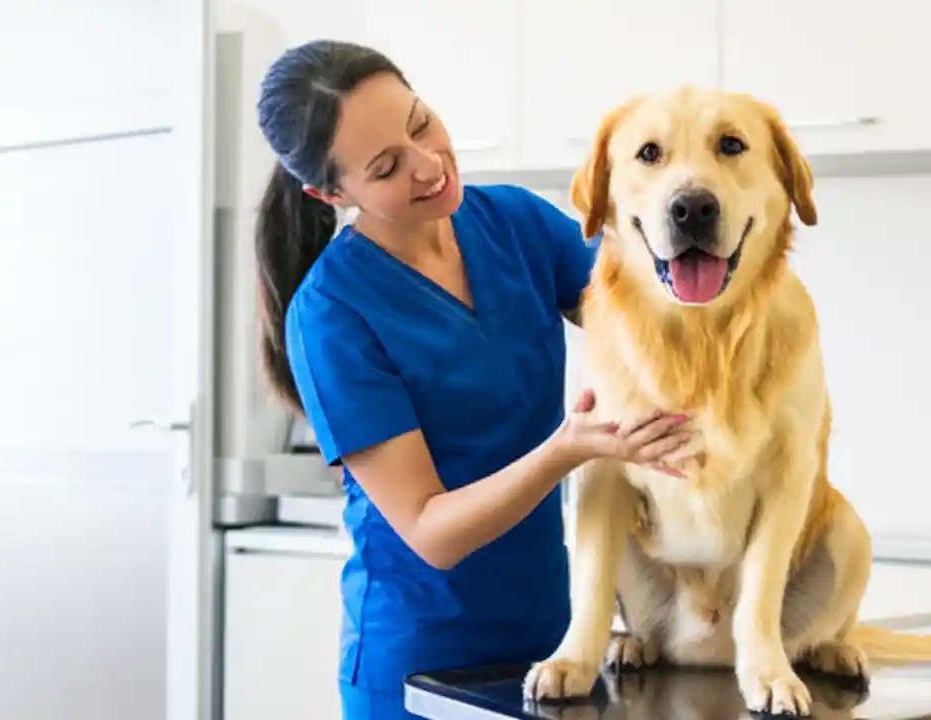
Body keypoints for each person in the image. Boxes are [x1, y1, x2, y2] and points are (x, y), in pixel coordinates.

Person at [253, 39, 694, 719]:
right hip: (420, 668)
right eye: (387, 166)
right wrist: (568, 448)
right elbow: (432, 531)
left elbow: (642, 315)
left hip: (550, 642)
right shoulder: (332, 313)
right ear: (332, 192)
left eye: (421, 122)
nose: (429, 164)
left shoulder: (514, 222)